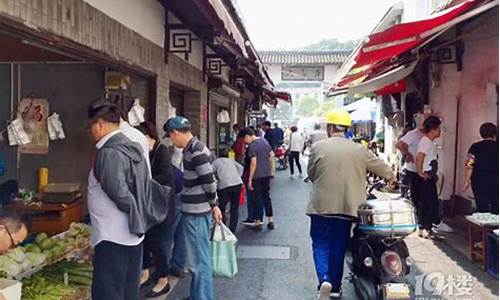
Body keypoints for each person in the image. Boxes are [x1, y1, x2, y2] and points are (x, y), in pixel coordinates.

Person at [307, 109, 394, 299]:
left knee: (320, 242)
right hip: (348, 207)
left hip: (321, 205)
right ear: (346, 128)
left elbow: (312, 174)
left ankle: (324, 280)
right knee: (339, 244)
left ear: (330, 127)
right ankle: (336, 287)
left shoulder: (318, 147)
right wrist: (391, 178)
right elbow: (383, 168)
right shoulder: (359, 149)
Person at [87, 100, 155, 300]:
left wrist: (133, 210)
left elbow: (118, 190)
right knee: (127, 287)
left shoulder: (109, 151)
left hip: (112, 234)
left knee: (108, 289)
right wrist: (138, 215)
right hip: (129, 233)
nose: (91, 132)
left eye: (91, 127)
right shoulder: (131, 145)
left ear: (99, 124)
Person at [163, 116, 222, 300]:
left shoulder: (195, 151)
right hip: (195, 210)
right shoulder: (193, 147)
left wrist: (214, 205)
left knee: (198, 261)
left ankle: (202, 297)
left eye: (170, 136)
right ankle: (198, 295)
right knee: (198, 258)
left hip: (197, 212)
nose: (171, 141)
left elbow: (209, 181)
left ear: (176, 133)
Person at [136, 122, 175, 297]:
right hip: (148, 205)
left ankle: (163, 280)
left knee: (160, 244)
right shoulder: (143, 152)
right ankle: (145, 273)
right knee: (146, 239)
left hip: (162, 206)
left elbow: (167, 176)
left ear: (150, 136)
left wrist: (145, 180)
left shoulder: (162, 151)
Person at [241, 127, 275, 231]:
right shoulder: (264, 141)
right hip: (266, 175)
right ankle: (271, 220)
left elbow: (253, 163)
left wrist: (250, 179)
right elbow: (271, 155)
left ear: (247, 136)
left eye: (244, 139)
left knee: (257, 198)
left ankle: (258, 222)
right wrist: (268, 168)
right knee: (266, 197)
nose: (244, 142)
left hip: (257, 176)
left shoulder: (252, 146)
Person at [416, 116, 442, 239]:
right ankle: (427, 228)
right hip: (426, 177)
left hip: (429, 176)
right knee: (429, 203)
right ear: (432, 130)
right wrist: (420, 172)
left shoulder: (429, 142)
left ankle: (423, 227)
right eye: (438, 129)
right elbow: (420, 156)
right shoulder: (425, 142)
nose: (440, 131)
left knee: (427, 202)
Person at [464, 122, 499, 214]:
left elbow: (469, 165)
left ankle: (484, 226)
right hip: (496, 180)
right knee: (496, 205)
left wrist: (466, 180)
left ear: (481, 134)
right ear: (495, 134)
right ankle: (495, 226)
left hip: (479, 181)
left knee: (482, 206)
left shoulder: (475, 147)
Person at [395, 119, 426, 223]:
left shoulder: (426, 136)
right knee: (416, 196)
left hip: (423, 170)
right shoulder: (414, 134)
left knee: (423, 196)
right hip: (413, 170)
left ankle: (422, 219)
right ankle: (418, 219)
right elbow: (399, 144)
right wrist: (407, 154)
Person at [212, 152, 244, 233]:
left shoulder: (215, 163)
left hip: (224, 186)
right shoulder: (231, 160)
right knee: (234, 207)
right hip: (237, 184)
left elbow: (210, 175)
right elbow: (241, 168)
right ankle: (232, 229)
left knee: (222, 207)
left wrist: (217, 181)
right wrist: (237, 176)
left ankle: (224, 228)